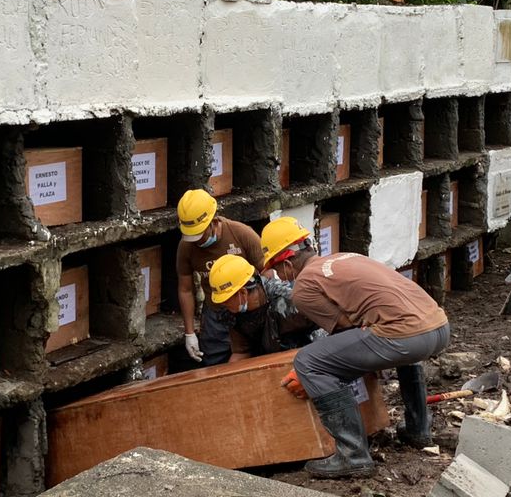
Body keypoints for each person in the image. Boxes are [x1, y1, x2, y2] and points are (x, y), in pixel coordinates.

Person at [262, 218, 449, 477]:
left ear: (286, 263)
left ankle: (352, 455)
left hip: (407, 338)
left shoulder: (303, 286)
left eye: (276, 270)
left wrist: (314, 378)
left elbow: (345, 328)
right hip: (438, 326)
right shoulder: (346, 258)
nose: (279, 278)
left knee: (308, 362)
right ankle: (418, 430)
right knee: (392, 332)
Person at [174, 189, 264, 366]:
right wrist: (190, 333)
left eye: (200, 234)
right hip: (216, 314)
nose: (197, 241)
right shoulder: (186, 247)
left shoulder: (241, 234)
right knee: (214, 365)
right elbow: (185, 289)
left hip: (247, 311)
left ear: (213, 222)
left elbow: (267, 273)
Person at [205, 254, 305, 359]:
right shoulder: (235, 314)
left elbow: (318, 333)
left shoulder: (286, 300)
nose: (223, 304)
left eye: (225, 300)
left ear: (243, 293)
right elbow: (241, 352)